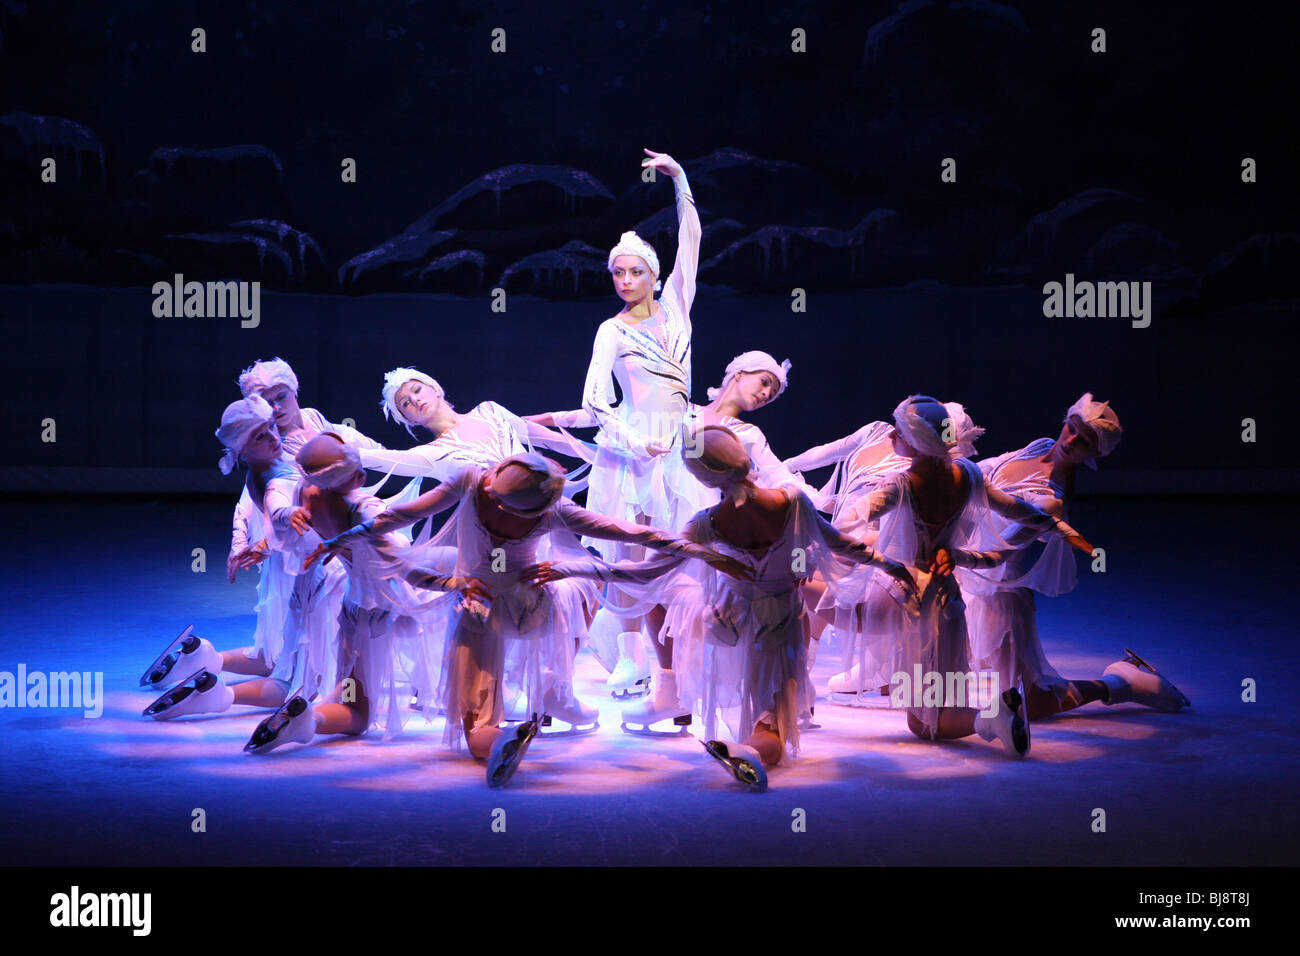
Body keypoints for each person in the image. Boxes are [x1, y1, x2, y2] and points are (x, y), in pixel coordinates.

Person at [307, 453, 748, 787]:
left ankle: (507, 729)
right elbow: (637, 535)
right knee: (588, 578)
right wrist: (707, 553)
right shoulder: (507, 493)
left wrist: (340, 540)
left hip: (479, 607)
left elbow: (402, 515)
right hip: (531, 604)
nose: (495, 503)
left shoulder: (493, 489)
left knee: (475, 723)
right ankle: (543, 698)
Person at [526, 426, 914, 790]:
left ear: (704, 478)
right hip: (781, 622)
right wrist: (891, 565)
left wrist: (571, 567)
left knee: (674, 603)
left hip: (733, 622)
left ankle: (717, 722)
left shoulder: (708, 522)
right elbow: (841, 545)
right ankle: (752, 748)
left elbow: (645, 573)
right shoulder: (790, 502)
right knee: (773, 714)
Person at [536, 148, 711, 704]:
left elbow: (692, 240)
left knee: (686, 547)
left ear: (655, 277)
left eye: (636, 271)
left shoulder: (678, 306)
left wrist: (680, 178)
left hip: (684, 441)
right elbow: (594, 401)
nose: (626, 279)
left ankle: (683, 661)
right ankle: (630, 662)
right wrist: (639, 443)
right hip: (636, 447)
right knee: (631, 554)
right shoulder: (609, 331)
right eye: (617, 271)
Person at [844, 396, 1096, 756]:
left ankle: (994, 716)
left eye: (898, 431)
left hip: (918, 598)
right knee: (927, 716)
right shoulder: (967, 474)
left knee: (926, 722)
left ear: (915, 439)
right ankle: (994, 716)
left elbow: (849, 520)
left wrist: (806, 530)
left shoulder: (902, 484)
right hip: (949, 600)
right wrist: (1059, 528)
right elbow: (1019, 510)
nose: (891, 437)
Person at [968, 393, 1189, 717]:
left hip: (996, 593)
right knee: (916, 669)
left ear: (1095, 452)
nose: (1071, 440)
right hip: (967, 575)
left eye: (1083, 441)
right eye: (1071, 428)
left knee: (1033, 702)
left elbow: (999, 551)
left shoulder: (1052, 496)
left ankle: (1121, 683)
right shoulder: (1040, 446)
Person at [143, 396, 344, 719]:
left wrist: (261, 544)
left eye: (270, 429)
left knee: (282, 660)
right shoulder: (271, 478)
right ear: (242, 449)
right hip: (322, 575)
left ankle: (206, 666)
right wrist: (274, 533)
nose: (272, 437)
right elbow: (277, 514)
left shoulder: (271, 466)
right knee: (302, 679)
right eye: (260, 436)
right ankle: (218, 694)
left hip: (314, 572)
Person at [245, 434, 439, 753]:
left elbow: (281, 512)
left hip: (354, 605)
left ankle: (308, 713)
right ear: (354, 477)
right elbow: (398, 561)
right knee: (359, 715)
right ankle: (308, 722)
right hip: (382, 603)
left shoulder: (305, 493)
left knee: (347, 691)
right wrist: (445, 585)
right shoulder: (363, 508)